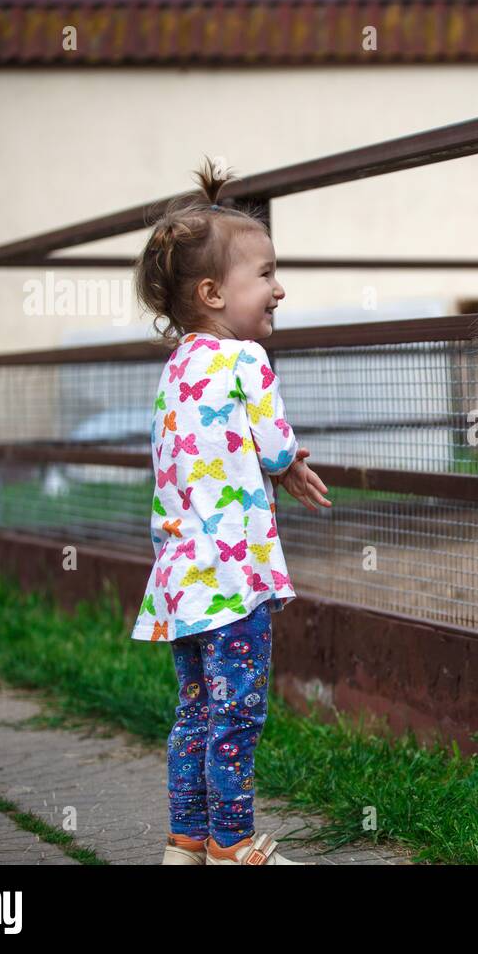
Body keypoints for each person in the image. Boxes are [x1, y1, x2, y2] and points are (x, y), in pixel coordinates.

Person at [130, 157, 331, 865]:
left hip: (182, 580)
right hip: (234, 578)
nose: (280, 289)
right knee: (239, 714)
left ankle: (185, 839)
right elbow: (274, 447)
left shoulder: (175, 367)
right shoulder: (245, 361)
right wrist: (293, 464)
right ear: (214, 292)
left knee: (194, 714)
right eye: (266, 274)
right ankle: (234, 845)